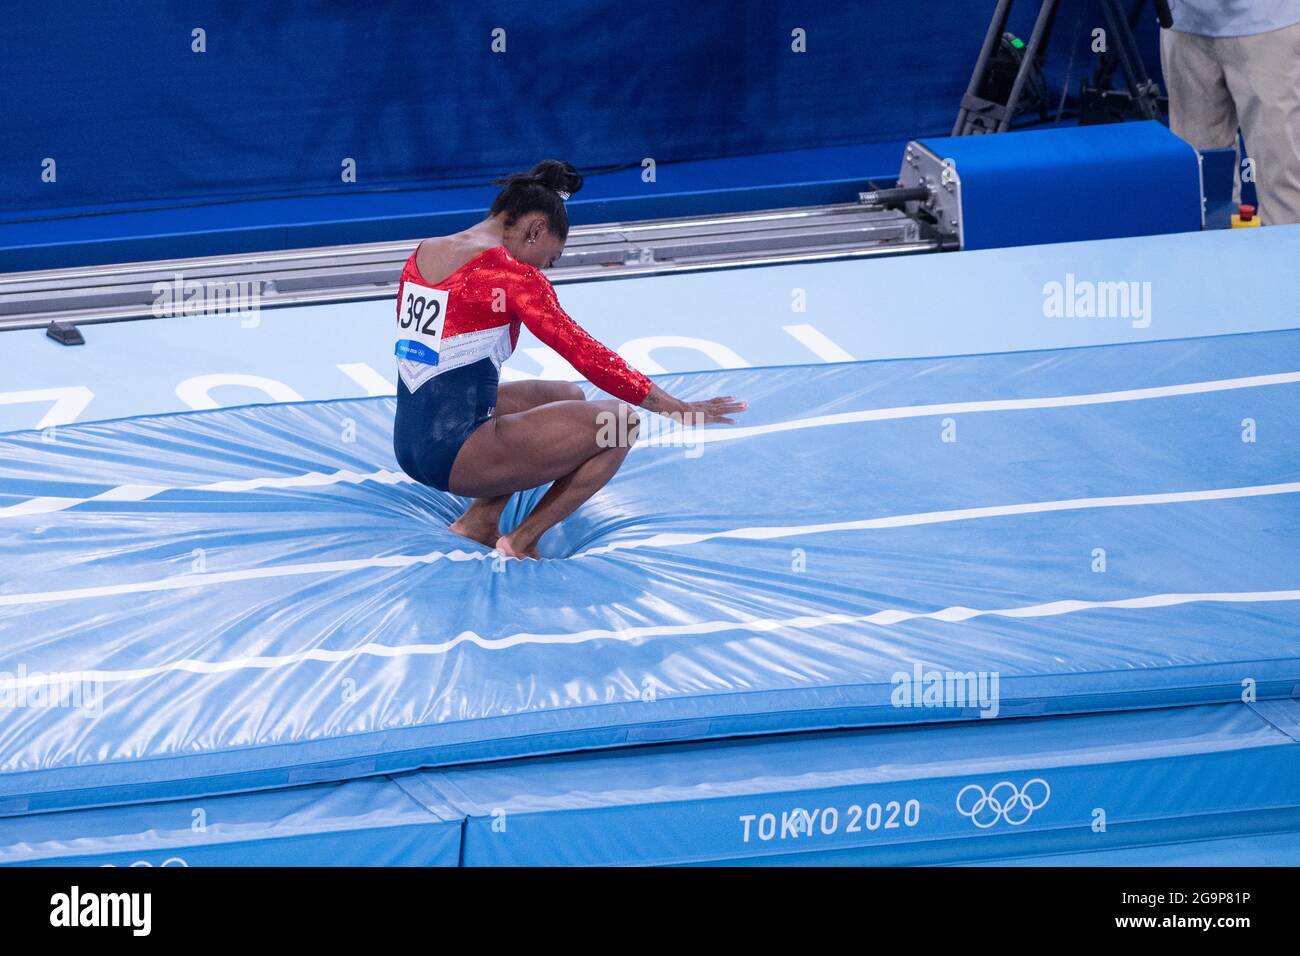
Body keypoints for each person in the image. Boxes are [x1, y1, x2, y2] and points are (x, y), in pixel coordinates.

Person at [392, 160, 746, 559]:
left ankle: (480, 522)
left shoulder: (426, 251)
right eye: (551, 258)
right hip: (455, 457)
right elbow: (585, 353)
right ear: (536, 229)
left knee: (565, 396)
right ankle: (522, 541)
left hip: (411, 440)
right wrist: (675, 408)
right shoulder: (511, 275)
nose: (545, 268)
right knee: (621, 423)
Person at [1161, 0, 1300, 225]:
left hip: (1268, 25)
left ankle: (1287, 259)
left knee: (1283, 185)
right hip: (1183, 23)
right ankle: (1204, 258)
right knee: (1202, 185)